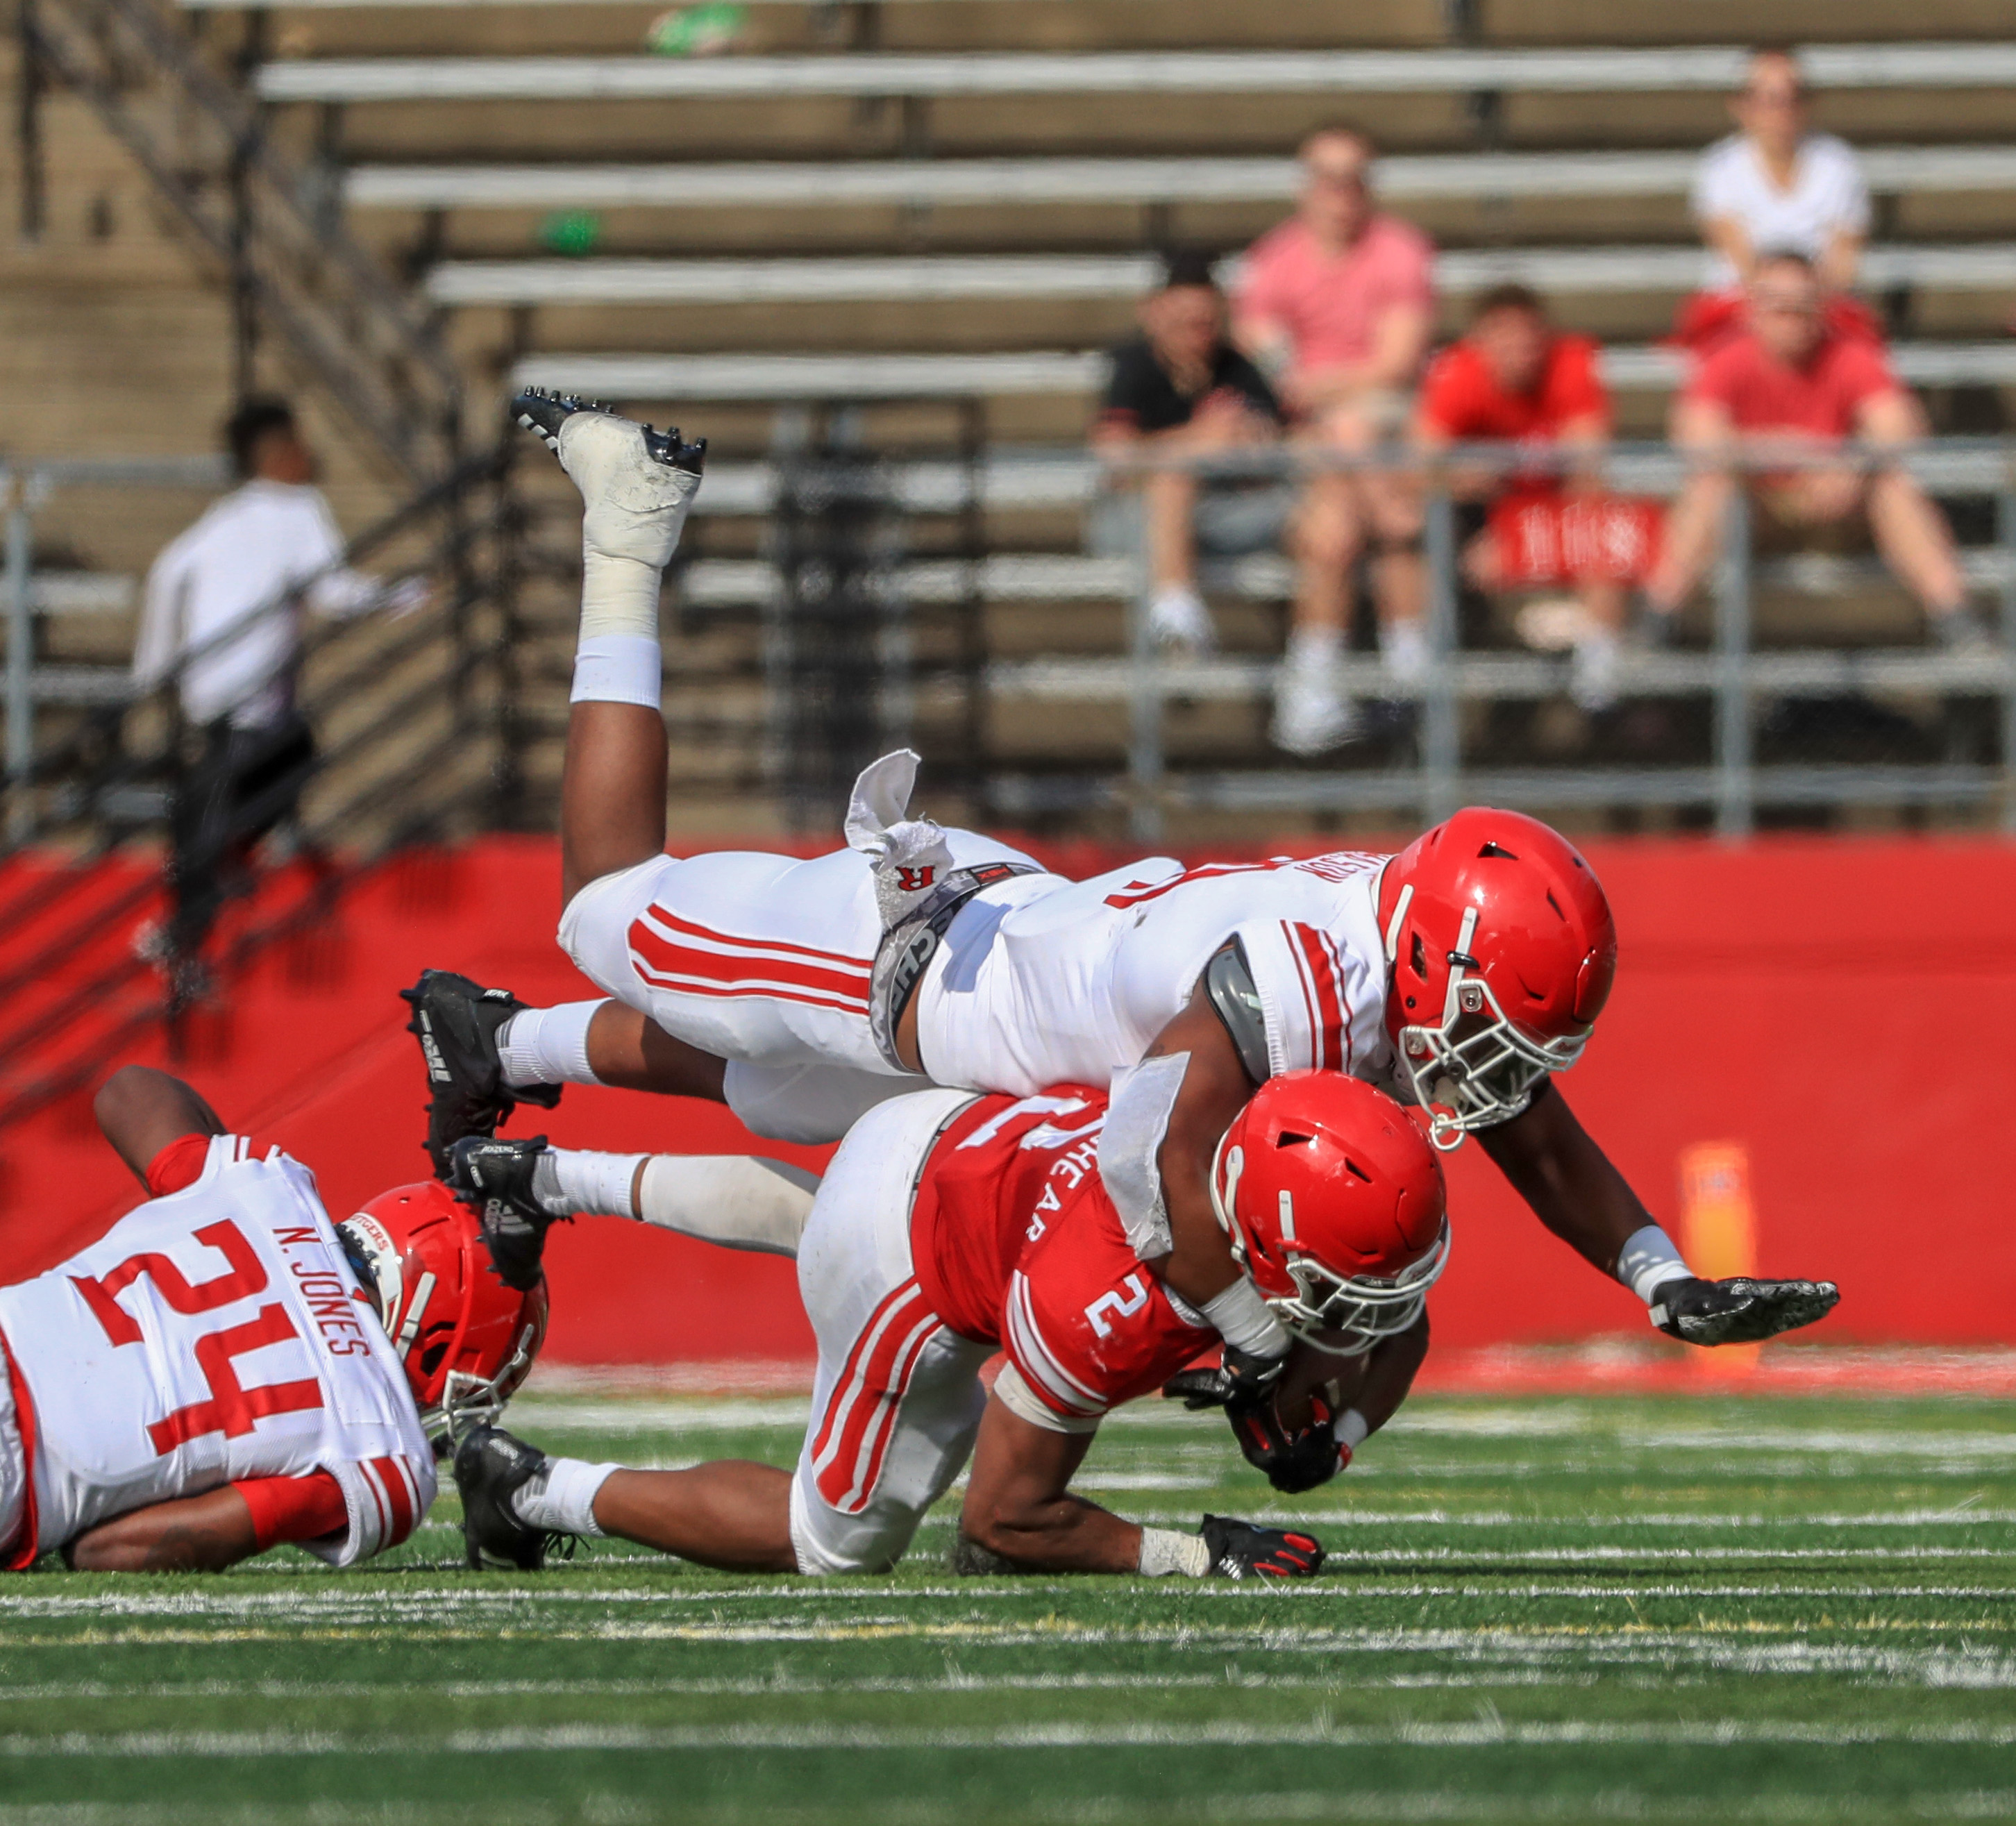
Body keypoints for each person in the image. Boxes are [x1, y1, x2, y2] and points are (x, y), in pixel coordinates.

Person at [416, 390, 1838, 1452]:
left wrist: (1659, 1274)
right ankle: (631, 524)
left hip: (992, 1033)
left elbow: (1530, 1125)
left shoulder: (1396, 949)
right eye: (1488, 1028)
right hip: (911, 958)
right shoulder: (1297, 976)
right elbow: (1149, 1159)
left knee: (784, 1112)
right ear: (1427, 958)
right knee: (605, 909)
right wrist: (1257, 1341)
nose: (1492, 1071)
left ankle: (507, 1051)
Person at [451, 1071, 1443, 1580]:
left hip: (946, 1126)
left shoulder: (1243, 1123)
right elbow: (1001, 1523)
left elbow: (1395, 1312)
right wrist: (1190, 1553)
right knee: (834, 1543)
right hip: (899, 1263)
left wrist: (1339, 1436)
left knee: (815, 1206)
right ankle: (528, 1489)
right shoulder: (1105, 1308)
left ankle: (550, 1175)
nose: (1373, 1308)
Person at [0, 1065, 544, 1573]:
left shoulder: (266, 1188)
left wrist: (226, 1186)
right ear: (439, 1333)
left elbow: (126, 1090)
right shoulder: (381, 1456)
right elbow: (107, 1550)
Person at [134, 399, 423, 975]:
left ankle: (203, 900)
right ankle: (190, 922)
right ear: (280, 453)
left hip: (207, 682)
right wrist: (402, 595)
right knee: (278, 766)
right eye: (299, 443)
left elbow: (167, 572)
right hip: (254, 684)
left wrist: (153, 668)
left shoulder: (226, 515)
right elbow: (334, 593)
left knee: (227, 783)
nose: (309, 455)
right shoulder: (299, 508)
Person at [1641, 251, 1981, 650]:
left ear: (1820, 309)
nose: (1791, 321)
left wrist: (1853, 466)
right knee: (1708, 489)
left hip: (1838, 505)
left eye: (1801, 308)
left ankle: (1956, 619)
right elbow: (1695, 436)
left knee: (1894, 488)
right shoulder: (1727, 358)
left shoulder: (1849, 354)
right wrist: (1784, 450)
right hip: (1759, 506)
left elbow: (1901, 426)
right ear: (1752, 308)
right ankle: (1656, 622)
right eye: (1779, 308)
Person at [1234, 126, 1437, 754]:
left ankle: (1311, 691)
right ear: (1306, 186)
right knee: (1378, 515)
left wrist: (1322, 395)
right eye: (1327, 178)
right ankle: (1410, 670)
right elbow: (1266, 365)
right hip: (1315, 434)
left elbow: (1396, 365)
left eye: (1352, 179)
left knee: (1337, 518)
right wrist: (1331, 402)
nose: (1339, 193)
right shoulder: (1275, 258)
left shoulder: (1399, 250)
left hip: (1375, 424)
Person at [1411, 284, 1658, 712]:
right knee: (1414, 522)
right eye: (1503, 335)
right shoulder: (1460, 373)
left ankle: (1601, 685)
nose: (1518, 348)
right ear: (1480, 340)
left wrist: (1522, 538)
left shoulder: (1571, 363)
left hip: (1551, 513)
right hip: (1484, 516)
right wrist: (1464, 481)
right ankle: (1424, 673)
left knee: (1600, 530)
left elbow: (1588, 469)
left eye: (1527, 334)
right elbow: (1417, 465)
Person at [1091, 250, 1288, 653]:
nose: (1196, 335)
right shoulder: (1135, 365)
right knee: (1173, 478)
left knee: (1323, 511)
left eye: (1205, 323)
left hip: (1224, 511)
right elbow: (1114, 453)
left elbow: (1268, 443)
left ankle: (1320, 651)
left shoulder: (1236, 366)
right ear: (1155, 315)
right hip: (1139, 514)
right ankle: (1176, 615)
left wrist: (1238, 442)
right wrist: (1198, 440)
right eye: (1184, 322)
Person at [1677, 44, 1876, 356]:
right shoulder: (1719, 168)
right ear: (1741, 106)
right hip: (1741, 305)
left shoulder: (1839, 164)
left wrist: (1801, 309)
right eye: (1770, 99)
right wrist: (1785, 311)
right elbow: (1739, 257)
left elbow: (1843, 262)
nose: (1783, 111)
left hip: (1822, 306)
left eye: (1793, 97)